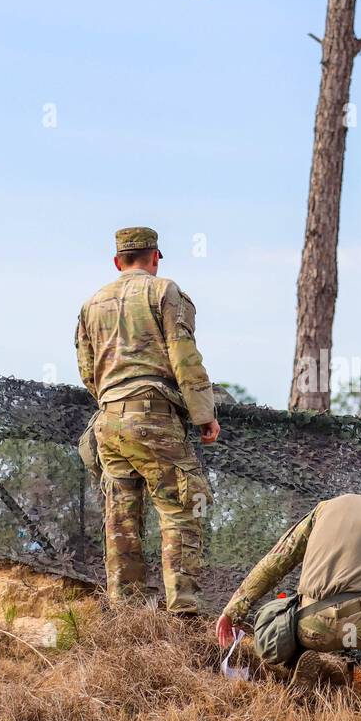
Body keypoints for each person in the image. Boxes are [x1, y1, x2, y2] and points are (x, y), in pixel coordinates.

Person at [75, 227, 219, 614]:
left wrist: (113, 400)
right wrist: (204, 413)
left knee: (121, 520)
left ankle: (126, 612)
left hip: (109, 421)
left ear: (117, 261)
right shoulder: (164, 291)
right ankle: (183, 609)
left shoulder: (92, 303)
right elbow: (184, 355)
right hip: (154, 418)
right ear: (155, 257)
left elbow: (87, 371)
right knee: (185, 506)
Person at [214, 468, 361, 694]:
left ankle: (297, 663)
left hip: (306, 627)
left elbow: (276, 561)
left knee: (295, 605)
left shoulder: (326, 507)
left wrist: (233, 611)